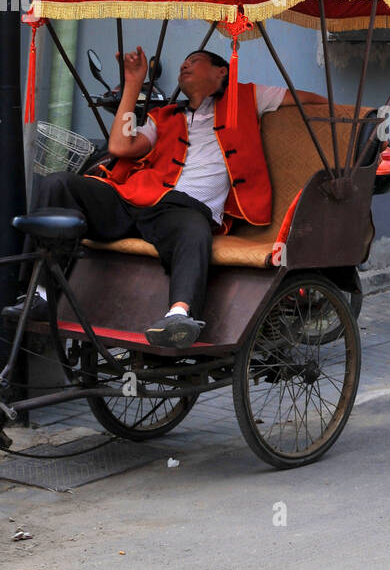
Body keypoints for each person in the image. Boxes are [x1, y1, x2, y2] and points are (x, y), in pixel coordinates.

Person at [22, 48, 327, 349]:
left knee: (195, 229)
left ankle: (179, 316)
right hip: (133, 200)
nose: (184, 66)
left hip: (183, 211)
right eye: (183, 62)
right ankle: (40, 294)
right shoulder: (164, 116)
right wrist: (132, 83)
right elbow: (120, 147)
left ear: (221, 71)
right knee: (58, 183)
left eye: (194, 60)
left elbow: (311, 100)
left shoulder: (249, 97)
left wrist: (359, 120)